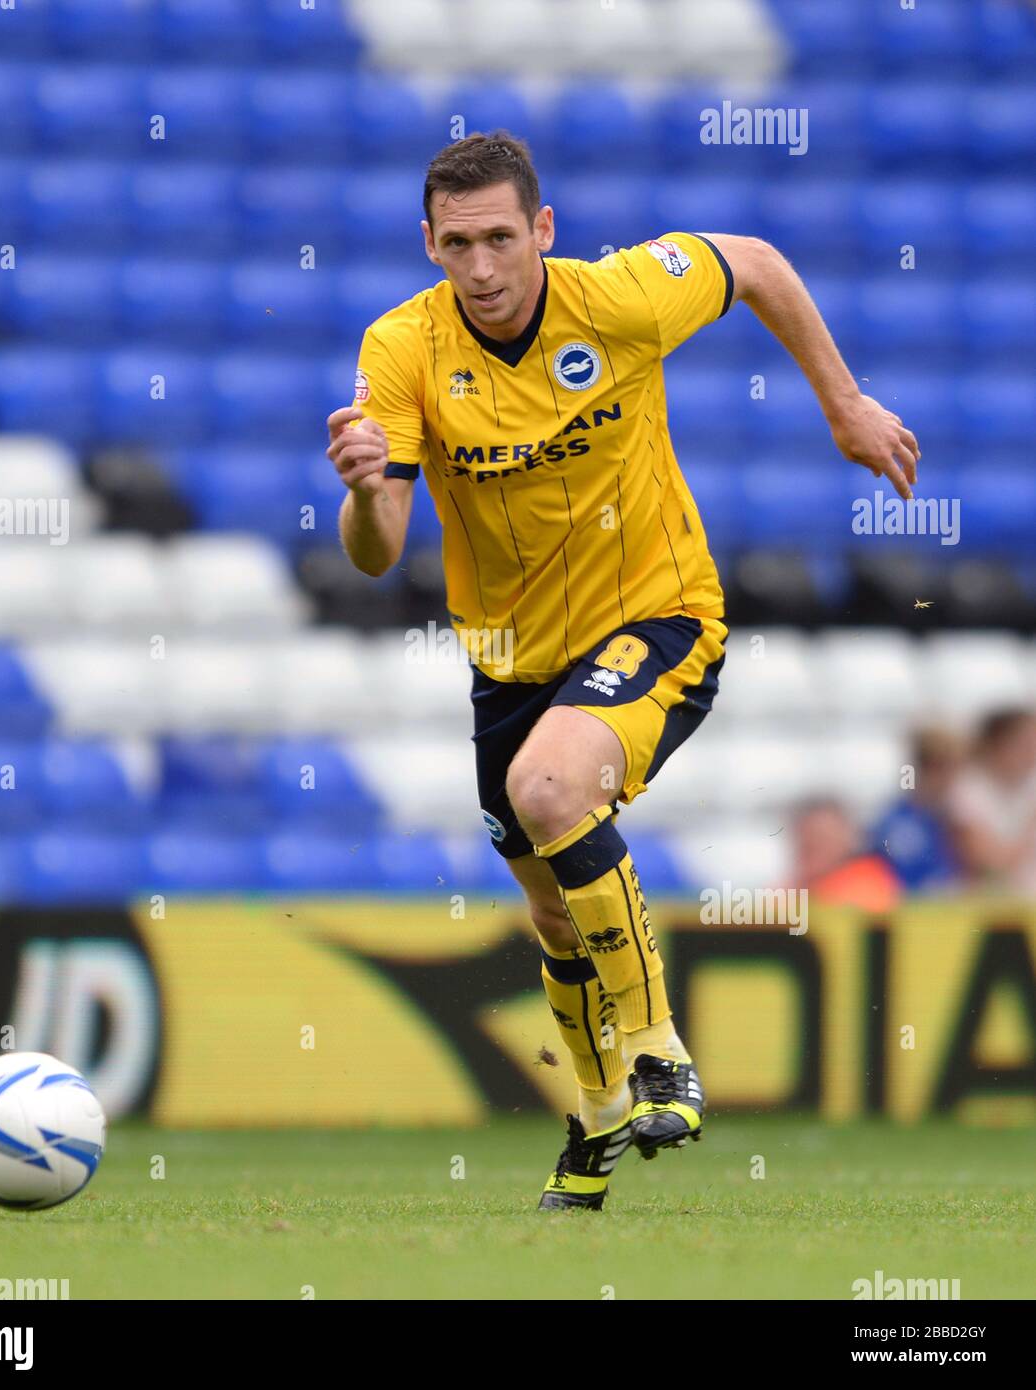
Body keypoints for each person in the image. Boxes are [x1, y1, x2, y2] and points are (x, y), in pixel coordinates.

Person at [325, 131, 920, 1211]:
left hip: (658, 617)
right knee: (554, 914)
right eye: (457, 245)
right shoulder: (400, 350)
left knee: (549, 787)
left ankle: (657, 1052)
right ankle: (594, 1122)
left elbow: (756, 264)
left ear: (541, 231)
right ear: (428, 245)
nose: (482, 268)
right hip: (508, 658)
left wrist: (841, 401)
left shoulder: (618, 297)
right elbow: (376, 554)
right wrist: (367, 492)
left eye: (501, 238)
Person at [947, 708, 1036, 895]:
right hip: (994, 907)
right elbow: (991, 865)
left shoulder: (1030, 787)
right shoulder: (967, 791)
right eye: (1025, 743)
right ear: (1000, 744)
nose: (1031, 752)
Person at [871, 727, 965, 892]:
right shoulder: (896, 823)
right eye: (949, 770)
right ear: (930, 770)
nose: (953, 780)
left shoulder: (950, 818)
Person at [792, 797, 902, 912]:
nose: (812, 844)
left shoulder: (866, 882)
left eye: (822, 838)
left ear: (849, 840)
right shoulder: (800, 886)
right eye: (806, 839)